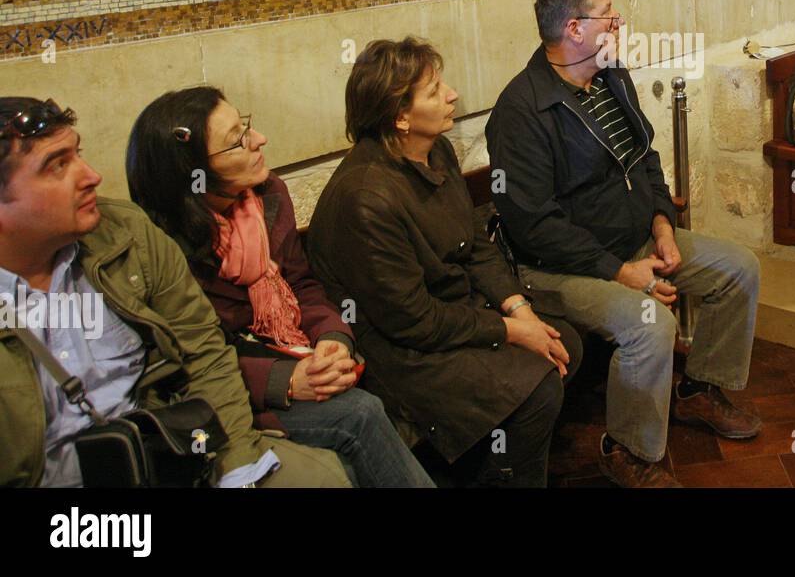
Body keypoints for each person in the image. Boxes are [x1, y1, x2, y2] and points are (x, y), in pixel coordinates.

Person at [486, 0, 762, 488]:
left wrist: (662, 222)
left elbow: (645, 156)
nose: (619, 22)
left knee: (738, 268)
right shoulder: (522, 111)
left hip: (635, 242)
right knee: (649, 323)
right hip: (559, 269)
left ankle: (699, 389)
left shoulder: (611, 75)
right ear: (573, 29)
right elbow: (534, 226)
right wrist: (620, 272)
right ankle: (626, 451)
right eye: (608, 14)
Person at [0, 97, 350, 487]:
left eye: (77, 154)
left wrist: (236, 469)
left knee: (324, 476)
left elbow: (203, 354)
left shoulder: (124, 235)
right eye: (57, 165)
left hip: (171, 446)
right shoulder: (172, 230)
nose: (92, 176)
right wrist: (280, 379)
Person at [125, 87, 435, 488]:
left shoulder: (266, 197)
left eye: (246, 126)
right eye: (237, 140)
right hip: (227, 393)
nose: (259, 140)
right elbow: (191, 358)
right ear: (194, 173)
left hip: (293, 351)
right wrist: (283, 382)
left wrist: (332, 337)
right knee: (357, 414)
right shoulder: (160, 247)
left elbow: (301, 282)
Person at [307, 38, 580, 487]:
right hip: (401, 353)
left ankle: (490, 465)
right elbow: (412, 321)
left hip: (453, 310)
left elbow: (474, 245)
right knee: (539, 386)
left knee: (565, 341)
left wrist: (519, 309)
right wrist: (511, 331)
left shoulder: (436, 151)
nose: (452, 94)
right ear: (399, 116)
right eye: (435, 91)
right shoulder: (366, 198)